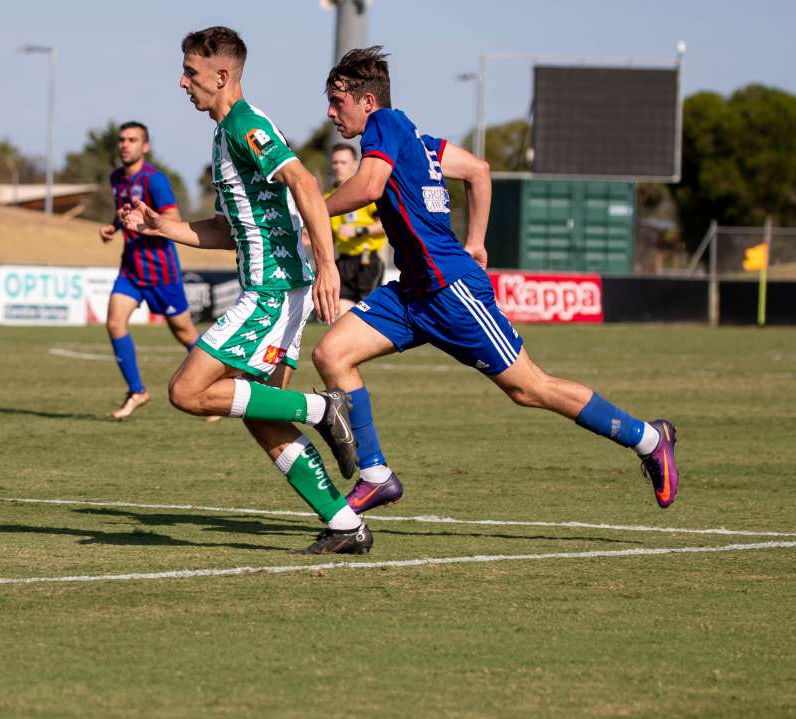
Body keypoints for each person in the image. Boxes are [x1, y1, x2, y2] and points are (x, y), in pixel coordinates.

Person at [314, 47, 680, 517]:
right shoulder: (418, 140)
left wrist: (311, 209)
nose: (330, 111)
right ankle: (376, 476)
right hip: (411, 294)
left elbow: (367, 188)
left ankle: (650, 439)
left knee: (530, 389)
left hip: (450, 292)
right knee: (331, 354)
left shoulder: (384, 124)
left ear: (367, 101)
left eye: (337, 100)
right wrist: (478, 242)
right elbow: (478, 171)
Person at [119, 26, 368, 555]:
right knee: (263, 417)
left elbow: (303, 182)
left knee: (186, 392)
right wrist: (161, 227)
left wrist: (329, 265)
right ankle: (346, 524)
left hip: (273, 291)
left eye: (191, 72)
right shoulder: (225, 131)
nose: (182, 81)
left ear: (222, 75)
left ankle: (325, 410)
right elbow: (228, 228)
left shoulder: (245, 125)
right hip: (276, 288)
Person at [98, 122, 203, 421]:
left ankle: (214, 382)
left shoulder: (155, 180)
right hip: (131, 268)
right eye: (122, 140)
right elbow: (125, 212)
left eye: (132, 140)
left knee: (185, 334)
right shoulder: (116, 177)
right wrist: (114, 225)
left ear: (145, 146)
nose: (125, 145)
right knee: (115, 323)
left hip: (161, 271)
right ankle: (137, 391)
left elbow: (173, 218)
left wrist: (142, 224)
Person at [327, 143, 387, 317]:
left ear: (354, 164)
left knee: (365, 316)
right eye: (335, 163)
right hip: (342, 262)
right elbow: (329, 235)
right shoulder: (327, 197)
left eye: (343, 162)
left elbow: (385, 224)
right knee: (339, 314)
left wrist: (358, 231)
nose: (338, 167)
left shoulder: (364, 192)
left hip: (366, 262)